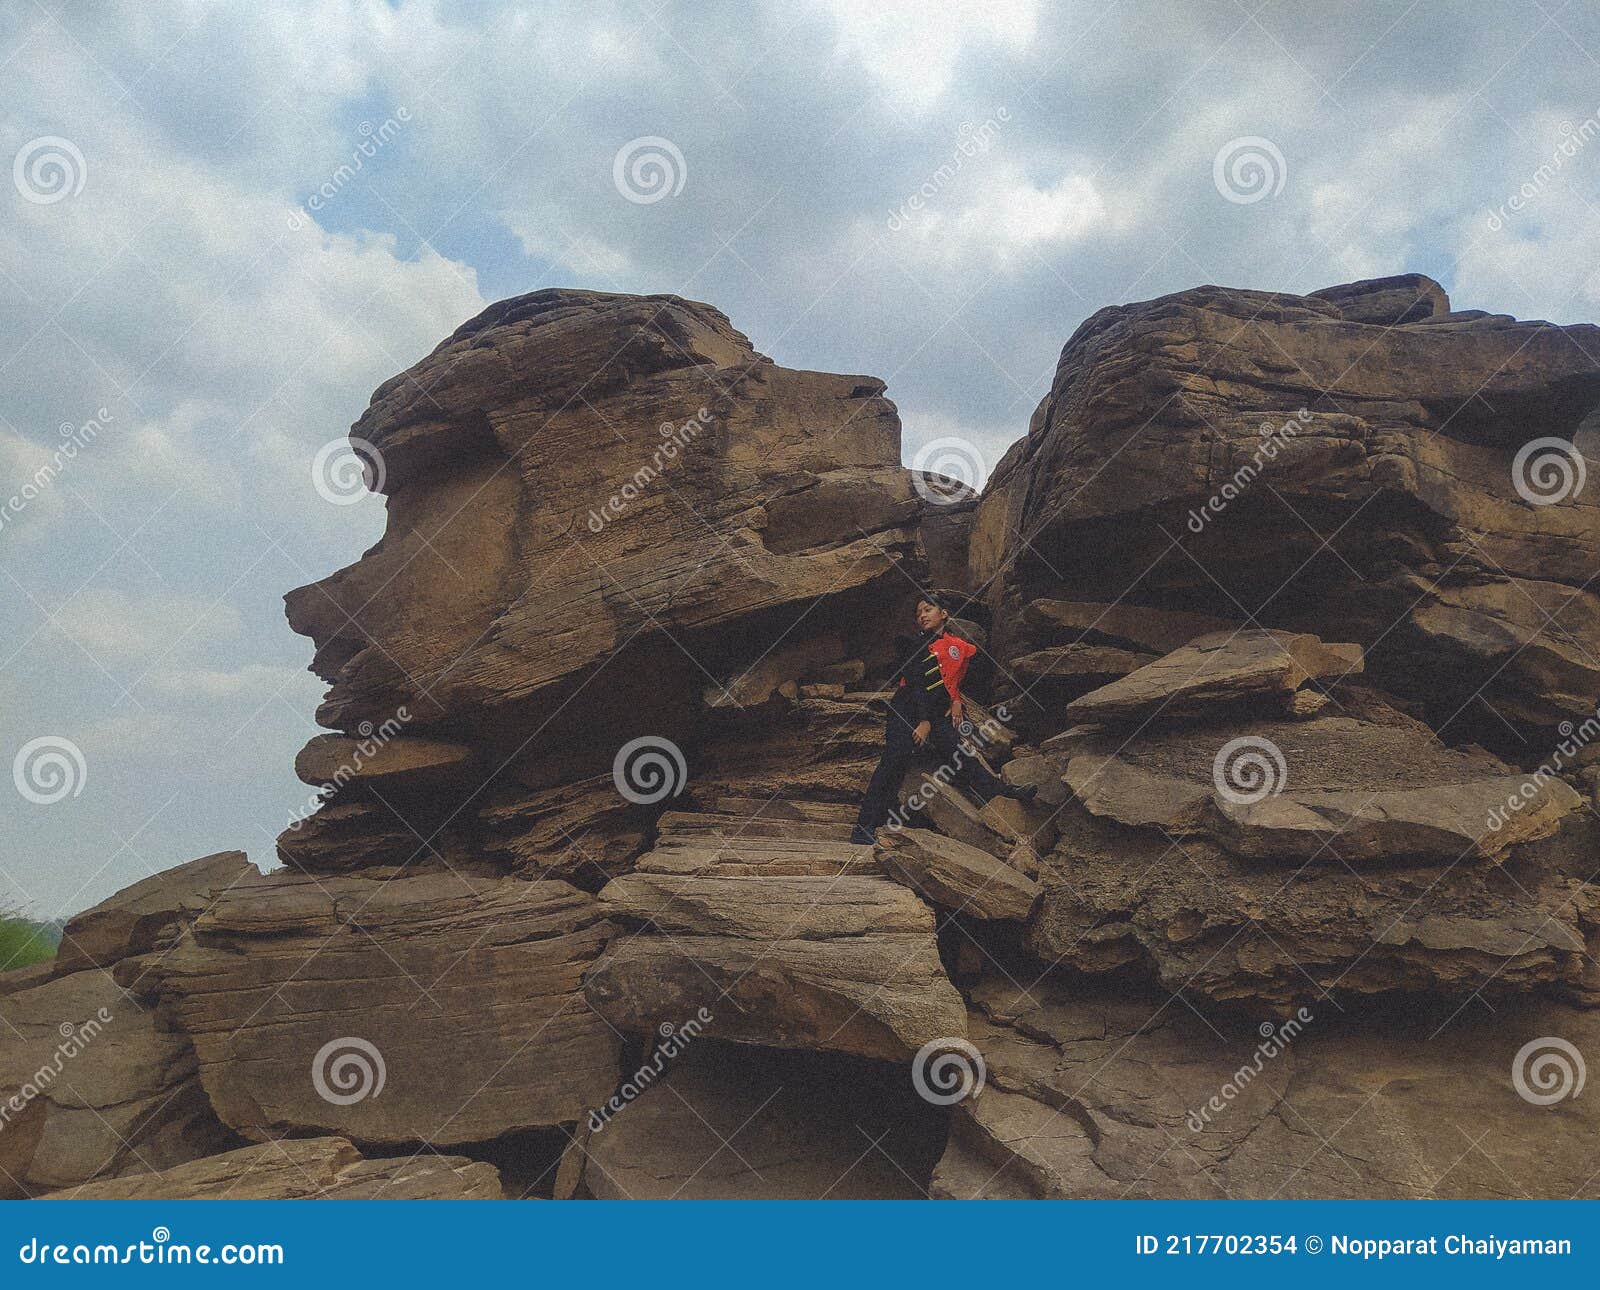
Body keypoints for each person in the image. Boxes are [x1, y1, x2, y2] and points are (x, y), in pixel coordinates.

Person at [852, 593, 1035, 844]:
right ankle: (864, 827)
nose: (922, 615)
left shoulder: (960, 646)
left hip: (938, 711)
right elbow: (916, 683)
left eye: (928, 609)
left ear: (944, 614)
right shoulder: (910, 643)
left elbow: (963, 676)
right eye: (919, 613)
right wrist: (924, 721)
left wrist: (956, 699)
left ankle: (1005, 792)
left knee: (960, 754)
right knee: (896, 757)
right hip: (908, 706)